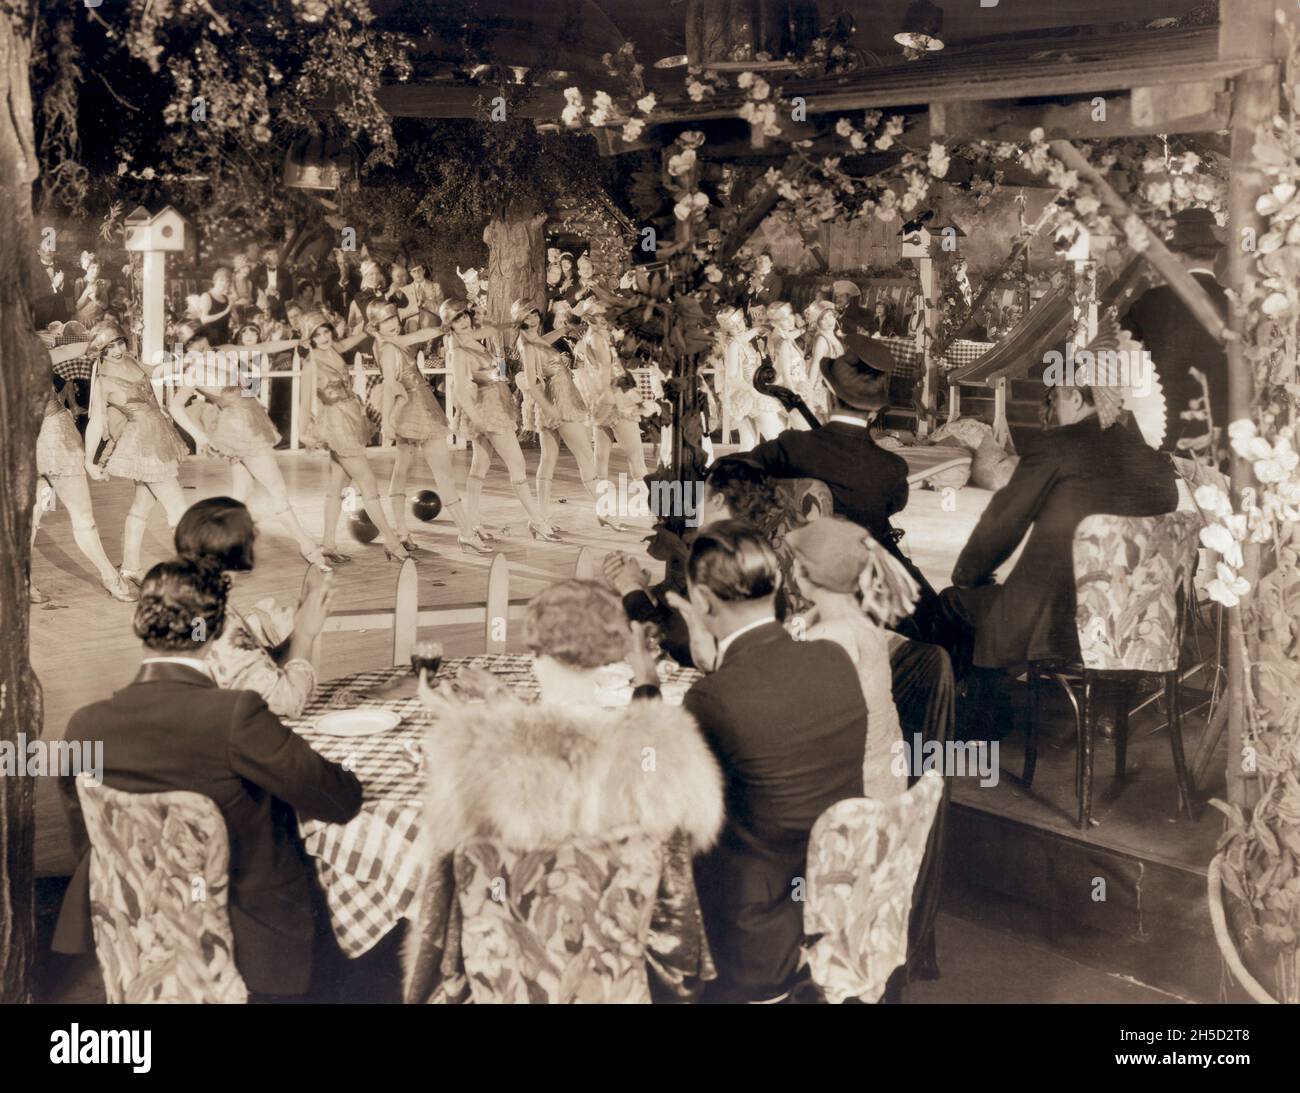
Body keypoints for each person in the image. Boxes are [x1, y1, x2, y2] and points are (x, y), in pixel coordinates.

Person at [52, 557, 361, 998]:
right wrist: (305, 637)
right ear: (218, 633)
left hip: (134, 936)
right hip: (250, 941)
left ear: (141, 627)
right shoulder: (236, 716)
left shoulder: (85, 726)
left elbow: (89, 842)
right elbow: (339, 799)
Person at [405, 579, 723, 1003]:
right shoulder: (661, 755)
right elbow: (677, 926)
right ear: (612, 656)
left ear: (534, 654)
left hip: (503, 985)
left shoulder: (472, 763)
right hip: (614, 986)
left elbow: (439, 928)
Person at [675, 521, 868, 1003]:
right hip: (835, 906)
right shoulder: (833, 660)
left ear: (701, 601)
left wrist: (644, 689)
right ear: (779, 583)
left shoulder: (712, 698)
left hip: (747, 938)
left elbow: (673, 813)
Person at [936, 347, 1179, 681]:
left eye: (1055, 400)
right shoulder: (1152, 460)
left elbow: (1003, 523)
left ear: (1073, 397)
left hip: (1059, 623)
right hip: (1136, 622)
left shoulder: (1058, 446)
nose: (1054, 411)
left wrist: (968, 577)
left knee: (955, 604)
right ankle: (1108, 717)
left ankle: (982, 725)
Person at [742, 334, 939, 638]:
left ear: (830, 395)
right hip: (862, 586)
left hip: (794, 576)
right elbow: (893, 505)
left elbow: (734, 471)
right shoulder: (890, 469)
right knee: (934, 619)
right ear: (874, 410)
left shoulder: (792, 447)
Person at [605, 458, 808, 668]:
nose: (697, 503)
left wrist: (631, 589)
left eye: (702, 494)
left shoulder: (723, 554)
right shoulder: (758, 544)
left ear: (718, 500)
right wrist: (641, 590)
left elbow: (680, 642)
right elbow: (680, 624)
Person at [167, 320, 329, 570]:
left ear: (204, 336)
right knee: (277, 489)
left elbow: (264, 347)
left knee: (241, 492)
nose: (196, 346)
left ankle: (207, 545)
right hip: (240, 428)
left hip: (250, 420)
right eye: (189, 345)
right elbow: (175, 406)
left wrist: (297, 341)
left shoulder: (224, 351)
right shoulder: (193, 370)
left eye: (197, 339)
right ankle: (308, 546)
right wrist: (200, 437)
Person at [787, 516, 917, 800]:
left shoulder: (826, 637)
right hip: (884, 781)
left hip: (850, 798)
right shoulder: (862, 620)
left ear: (802, 570)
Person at [174, 497, 332, 717]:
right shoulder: (216, 623)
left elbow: (251, 667)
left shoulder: (194, 605)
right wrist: (305, 635)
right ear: (241, 552)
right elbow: (290, 702)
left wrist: (295, 632)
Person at [367, 300, 487, 554]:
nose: (393, 323)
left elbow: (418, 335)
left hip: (411, 406)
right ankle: (466, 533)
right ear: (376, 325)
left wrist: (441, 329)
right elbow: (390, 386)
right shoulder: (388, 348)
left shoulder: (389, 343)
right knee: (443, 474)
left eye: (393, 318)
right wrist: (388, 421)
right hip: (416, 408)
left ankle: (402, 532)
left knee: (402, 470)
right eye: (386, 320)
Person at [296, 309, 411, 563]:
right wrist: (304, 433)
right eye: (318, 334)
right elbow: (304, 404)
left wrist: (365, 332)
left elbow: (348, 342)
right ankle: (392, 542)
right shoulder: (310, 364)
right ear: (309, 338)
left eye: (326, 331)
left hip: (351, 418)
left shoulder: (334, 349)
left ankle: (328, 543)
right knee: (368, 485)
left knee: (337, 487)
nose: (324, 337)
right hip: (336, 423)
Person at [82, 319, 190, 590]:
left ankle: (130, 567)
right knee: (179, 508)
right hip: (143, 444)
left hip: (157, 436)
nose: (117, 350)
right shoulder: (104, 381)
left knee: (142, 506)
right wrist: (89, 460)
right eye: (109, 347)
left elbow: (155, 371)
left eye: (119, 343)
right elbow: (96, 420)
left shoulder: (130, 360)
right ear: (100, 351)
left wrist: (186, 363)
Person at [441, 298, 559, 542]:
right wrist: (478, 419)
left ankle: (473, 523)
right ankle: (537, 521)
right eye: (456, 319)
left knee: (479, 467)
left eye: (463, 316)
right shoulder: (458, 351)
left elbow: (493, 329)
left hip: (493, 402)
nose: (462, 321)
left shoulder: (472, 336)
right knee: (517, 465)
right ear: (448, 325)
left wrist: (512, 322)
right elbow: (461, 391)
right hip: (488, 410)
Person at [30, 337, 137, 604]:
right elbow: (71, 350)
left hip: (34, 446)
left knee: (34, 517)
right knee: (81, 518)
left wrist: (96, 343)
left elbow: (70, 350)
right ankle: (110, 578)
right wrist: (97, 342)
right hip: (53, 444)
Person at [1120, 206, 1227, 452]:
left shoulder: (1152, 300)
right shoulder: (1235, 302)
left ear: (1176, 256)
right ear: (1216, 256)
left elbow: (1119, 346)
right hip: (1220, 430)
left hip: (1160, 425)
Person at [511, 298, 610, 530]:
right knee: (585, 454)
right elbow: (533, 381)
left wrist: (566, 328)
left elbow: (545, 341)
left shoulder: (535, 339)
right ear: (520, 319)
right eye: (527, 316)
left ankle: (541, 518)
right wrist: (549, 409)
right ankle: (606, 510)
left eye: (535, 314)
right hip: (557, 401)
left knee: (548, 460)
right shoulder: (526, 343)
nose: (533, 319)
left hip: (558, 397)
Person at [571, 297, 649, 487]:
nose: (604, 318)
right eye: (598, 315)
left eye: (605, 314)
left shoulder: (590, 337)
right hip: (613, 395)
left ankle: (601, 499)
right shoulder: (596, 338)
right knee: (635, 454)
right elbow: (606, 369)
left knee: (601, 454)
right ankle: (650, 497)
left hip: (601, 396)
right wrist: (608, 396)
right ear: (589, 318)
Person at [197, 267, 235, 345]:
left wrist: (233, 309)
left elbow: (234, 319)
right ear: (215, 281)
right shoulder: (207, 296)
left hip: (224, 337)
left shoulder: (227, 298)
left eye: (227, 281)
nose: (224, 283)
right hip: (210, 338)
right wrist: (225, 312)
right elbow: (204, 319)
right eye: (221, 280)